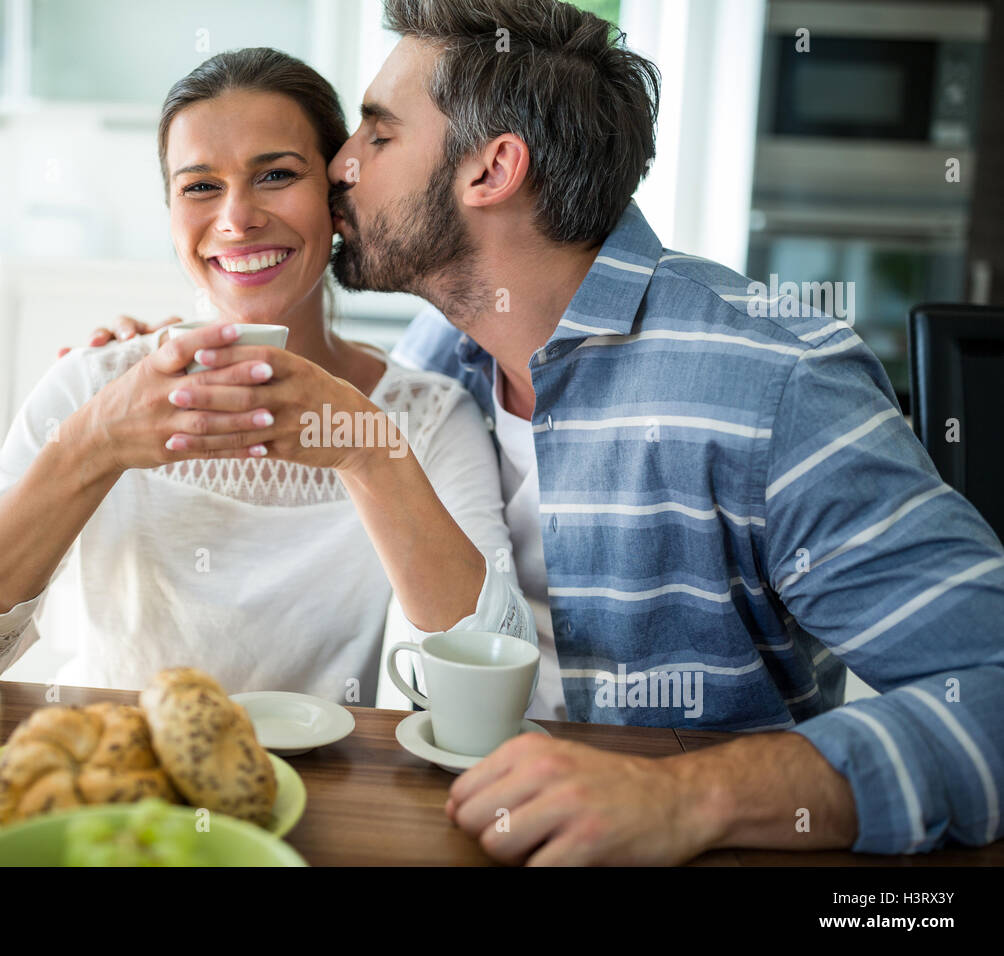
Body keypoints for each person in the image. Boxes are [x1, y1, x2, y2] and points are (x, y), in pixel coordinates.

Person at [93, 0, 1004, 865]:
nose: (340, 166)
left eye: (377, 133)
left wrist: (688, 797)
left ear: (492, 170)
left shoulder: (772, 386)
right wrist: (161, 353)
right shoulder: (448, 346)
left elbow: (991, 689)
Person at [0, 47, 536, 706]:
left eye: (277, 175)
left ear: (334, 197)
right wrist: (95, 445)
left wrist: (369, 454)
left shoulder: (427, 419)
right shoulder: (93, 388)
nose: (236, 218)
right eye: (200, 186)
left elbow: (488, 697)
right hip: (118, 789)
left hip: (324, 802)